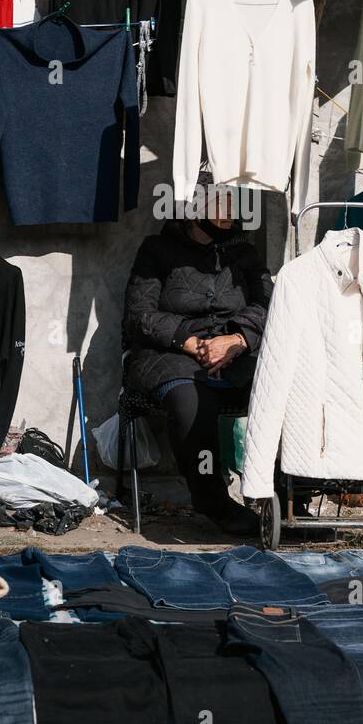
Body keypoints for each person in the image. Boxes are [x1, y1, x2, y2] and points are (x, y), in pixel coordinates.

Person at [123, 186, 272, 535]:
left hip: (235, 353)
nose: (230, 211)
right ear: (194, 211)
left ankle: (287, 499)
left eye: (234, 204)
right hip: (169, 355)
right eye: (221, 203)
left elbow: (269, 304)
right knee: (193, 399)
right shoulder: (157, 250)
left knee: (280, 389)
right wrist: (192, 343)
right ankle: (213, 501)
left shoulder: (246, 254)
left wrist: (237, 340)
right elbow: (139, 314)